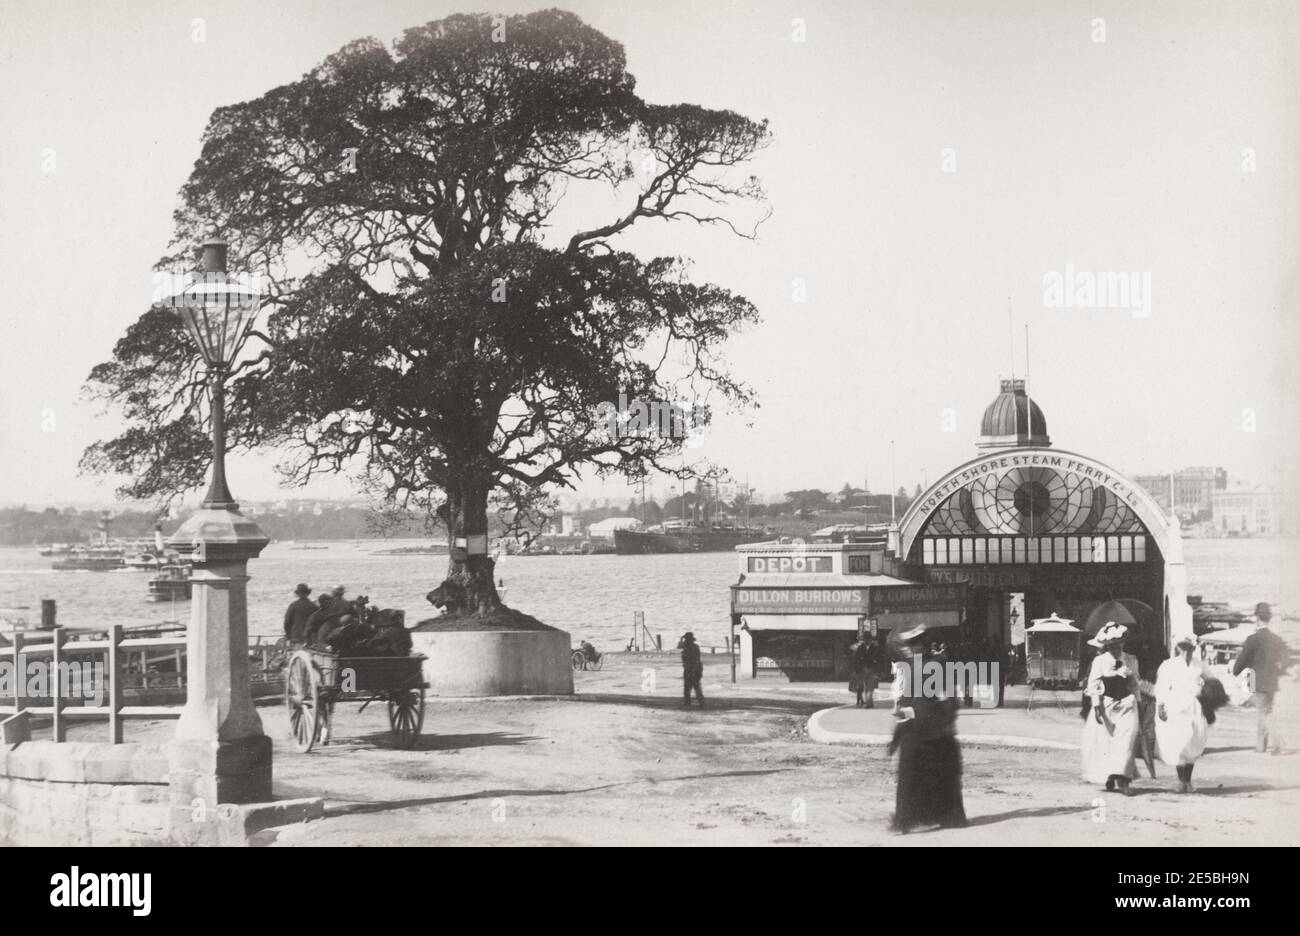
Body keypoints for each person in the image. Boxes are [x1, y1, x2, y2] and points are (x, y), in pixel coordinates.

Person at [887, 623, 966, 832]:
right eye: (912, 645)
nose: (915, 648)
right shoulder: (907, 666)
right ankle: (909, 818)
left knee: (935, 772)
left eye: (917, 644)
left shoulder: (938, 663)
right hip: (918, 726)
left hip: (932, 725)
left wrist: (946, 715)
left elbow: (950, 695)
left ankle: (941, 816)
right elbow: (901, 701)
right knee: (912, 773)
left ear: (924, 644)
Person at [1081, 622, 1141, 796]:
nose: (1116, 648)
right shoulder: (1099, 661)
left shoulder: (1131, 659)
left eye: (1119, 644)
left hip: (1128, 705)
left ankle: (1124, 781)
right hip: (1107, 705)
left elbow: (1136, 684)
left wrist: (1139, 702)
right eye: (1112, 645)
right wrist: (1097, 707)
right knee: (1108, 743)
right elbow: (1093, 685)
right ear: (1107, 646)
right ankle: (1110, 773)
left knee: (1126, 741)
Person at [1233, 602, 1289, 754]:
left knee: (1264, 713)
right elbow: (1286, 658)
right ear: (1269, 618)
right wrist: (1280, 669)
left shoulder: (1253, 639)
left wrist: (1235, 670)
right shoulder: (1277, 640)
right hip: (1272, 681)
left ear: (1257, 618)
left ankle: (1278, 744)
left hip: (1257, 681)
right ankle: (1261, 745)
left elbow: (1243, 659)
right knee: (1264, 711)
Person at [1156, 636, 1210, 793]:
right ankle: (1181, 780)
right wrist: (1161, 705)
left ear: (1194, 649)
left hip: (1195, 706)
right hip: (1176, 706)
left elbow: (1212, 681)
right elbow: (1162, 686)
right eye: (1184, 648)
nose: (1187, 652)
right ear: (1179, 649)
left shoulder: (1199, 665)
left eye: (1190, 648)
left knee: (1194, 741)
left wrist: (1205, 688)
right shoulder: (1169, 665)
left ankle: (1188, 780)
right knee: (1180, 741)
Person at [680, 632, 704, 707]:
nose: (685, 641)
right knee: (690, 687)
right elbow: (678, 646)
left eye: (686, 639)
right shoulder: (688, 647)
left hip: (694, 669)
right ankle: (692, 702)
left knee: (694, 686)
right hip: (690, 669)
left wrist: (694, 669)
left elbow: (695, 659)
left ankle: (698, 702)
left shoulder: (692, 647)